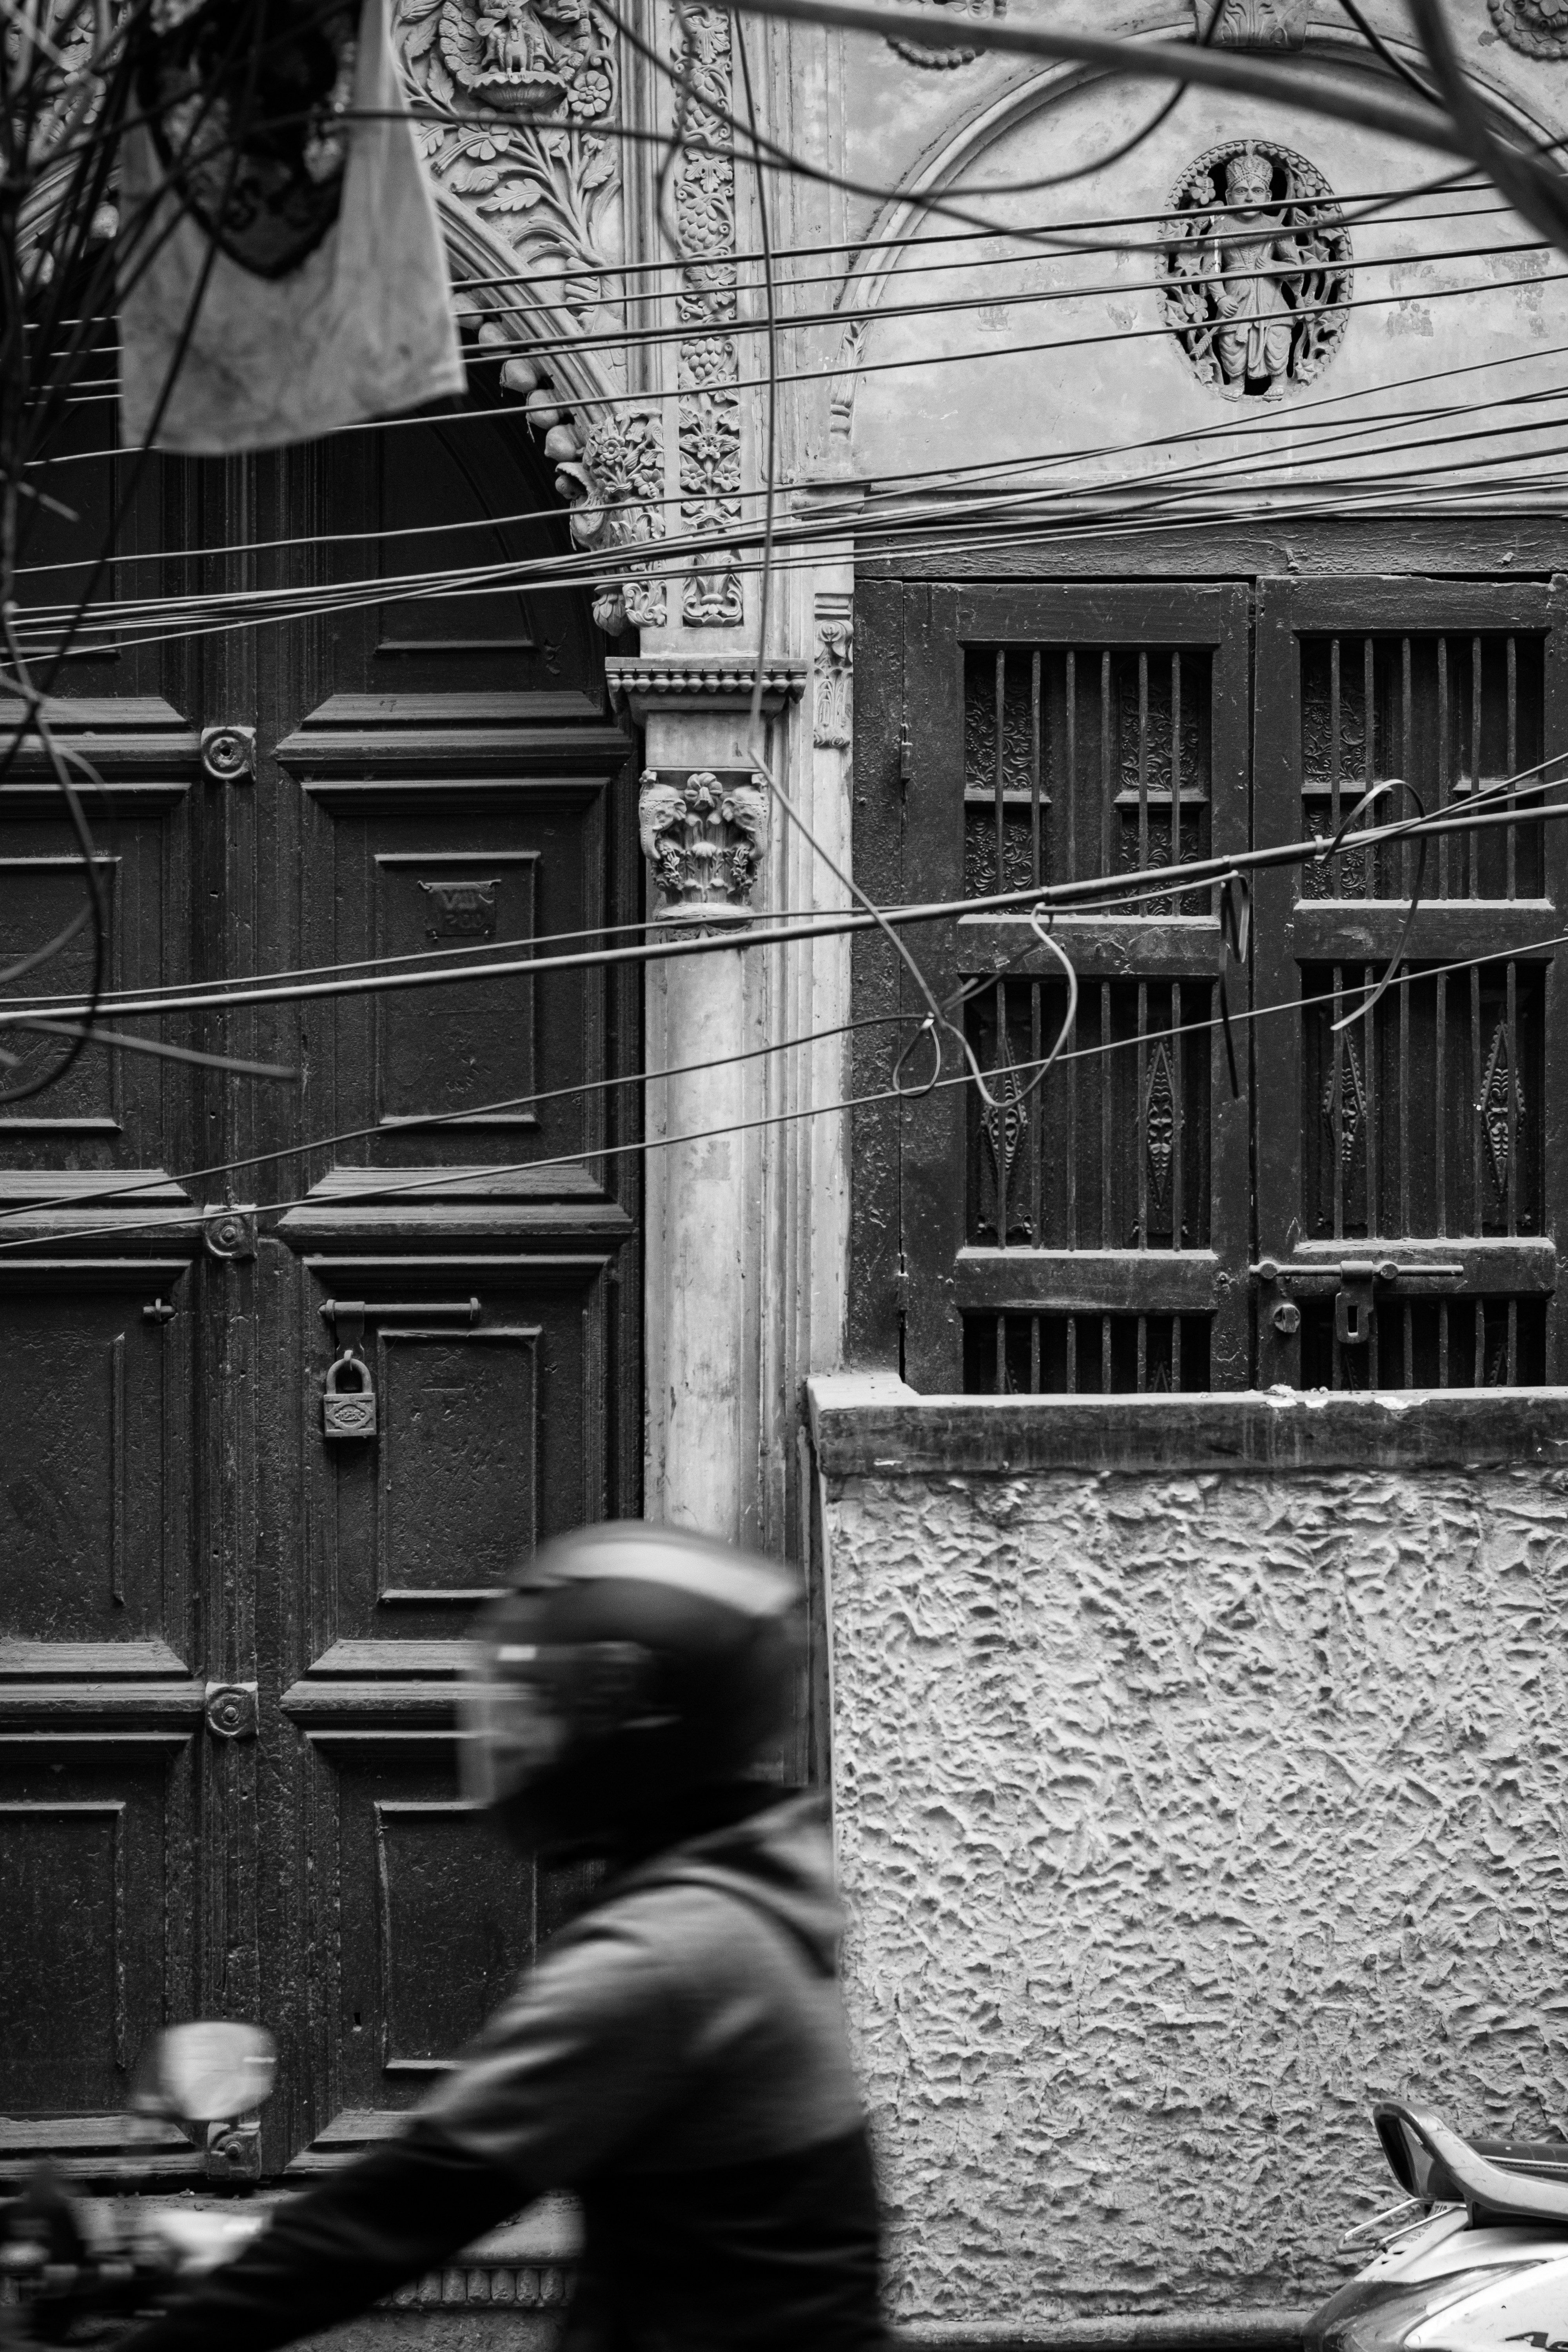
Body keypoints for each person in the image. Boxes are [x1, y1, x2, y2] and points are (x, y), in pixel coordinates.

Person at [117, 1524, 886, 2352]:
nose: (516, 1737)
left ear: (632, 1723)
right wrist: (226, 2246)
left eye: (544, 1706)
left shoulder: (661, 1958)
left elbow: (399, 2216)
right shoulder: (742, 1899)